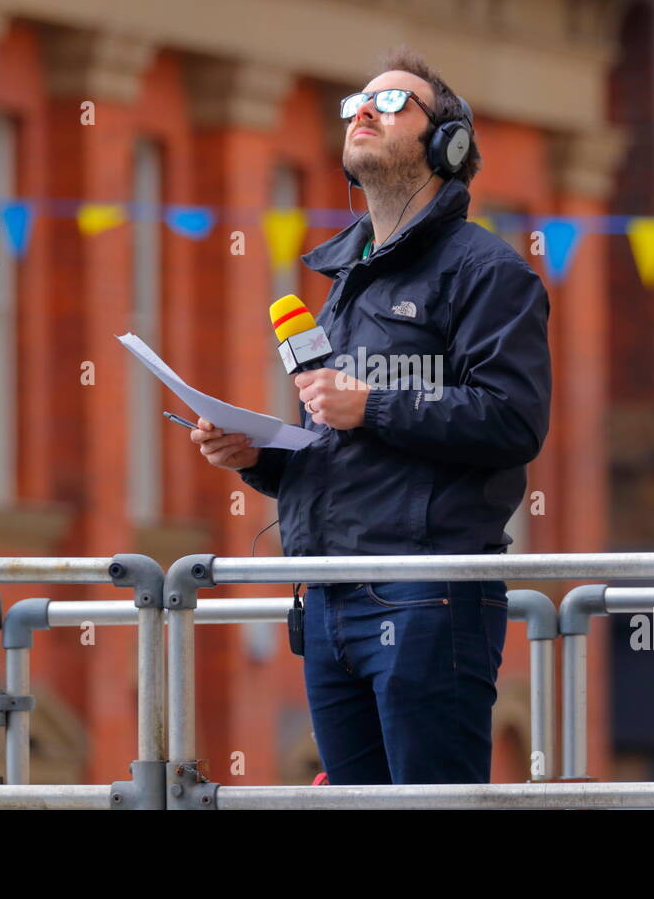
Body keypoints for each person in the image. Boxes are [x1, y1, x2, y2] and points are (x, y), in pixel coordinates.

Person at [190, 46, 552, 785]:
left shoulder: (490, 275)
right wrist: (257, 454)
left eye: (391, 104)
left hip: (427, 593)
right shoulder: (345, 282)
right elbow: (347, 447)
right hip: (328, 593)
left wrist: (371, 403)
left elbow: (514, 420)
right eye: (357, 100)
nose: (364, 110)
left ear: (447, 144)